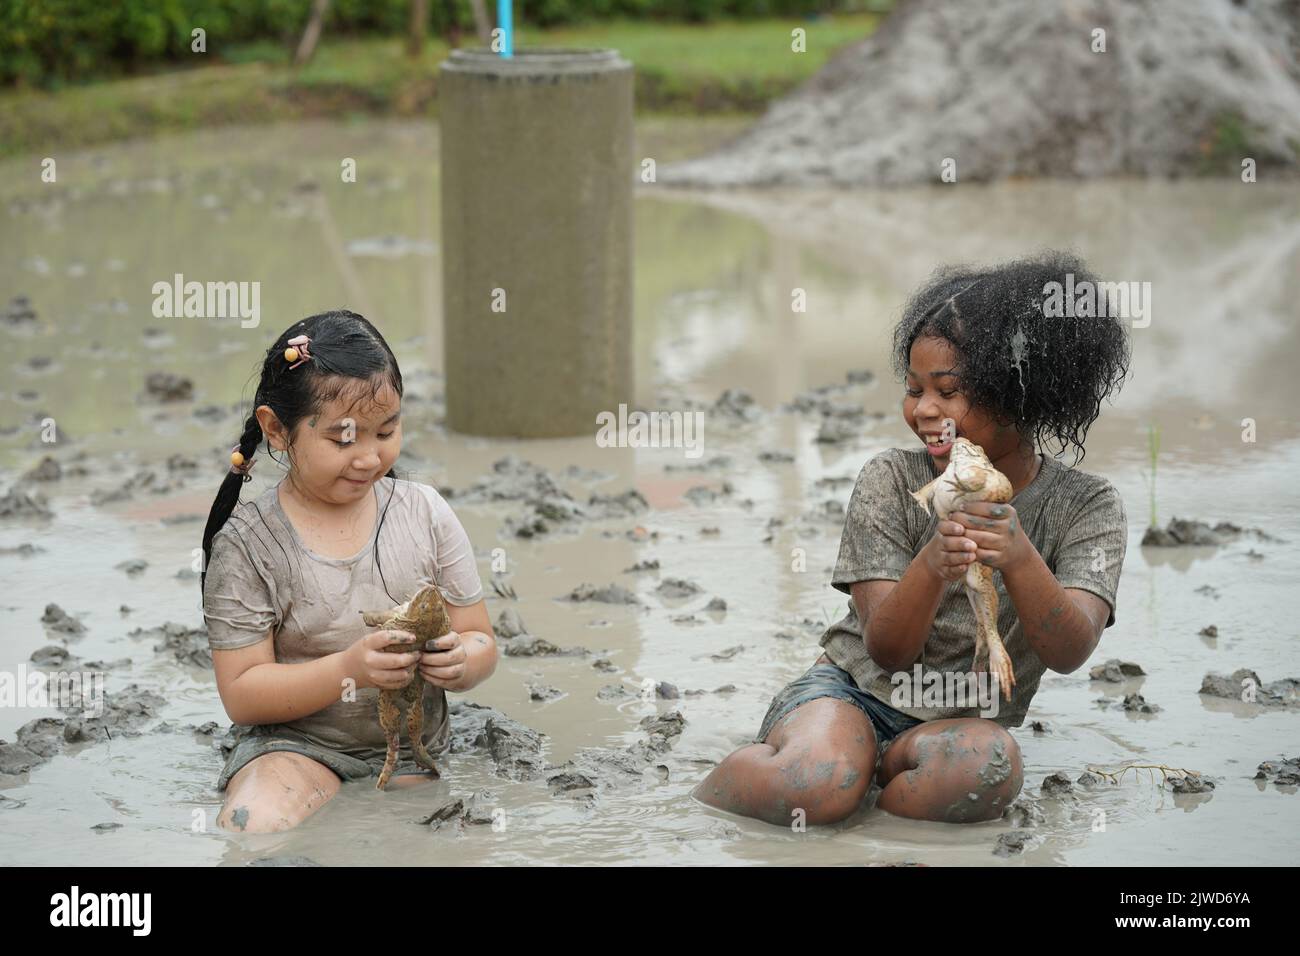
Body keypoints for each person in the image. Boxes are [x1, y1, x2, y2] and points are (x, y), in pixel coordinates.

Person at [693, 250, 1132, 827]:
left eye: (947, 392)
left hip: (962, 724)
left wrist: (1021, 558)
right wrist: (933, 562)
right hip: (852, 694)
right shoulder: (891, 481)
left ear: (1021, 395)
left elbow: (1070, 652)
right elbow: (886, 650)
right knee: (817, 786)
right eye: (913, 389)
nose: (924, 410)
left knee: (986, 769)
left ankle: (872, 823)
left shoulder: (1088, 506)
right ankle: (759, 778)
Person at [200, 309, 497, 833]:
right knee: (251, 824)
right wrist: (350, 670)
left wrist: (463, 661)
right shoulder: (249, 544)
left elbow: (479, 637)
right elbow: (242, 694)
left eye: (386, 431)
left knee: (426, 834)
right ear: (277, 429)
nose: (368, 457)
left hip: (413, 746)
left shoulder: (424, 513)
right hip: (299, 744)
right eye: (343, 439)